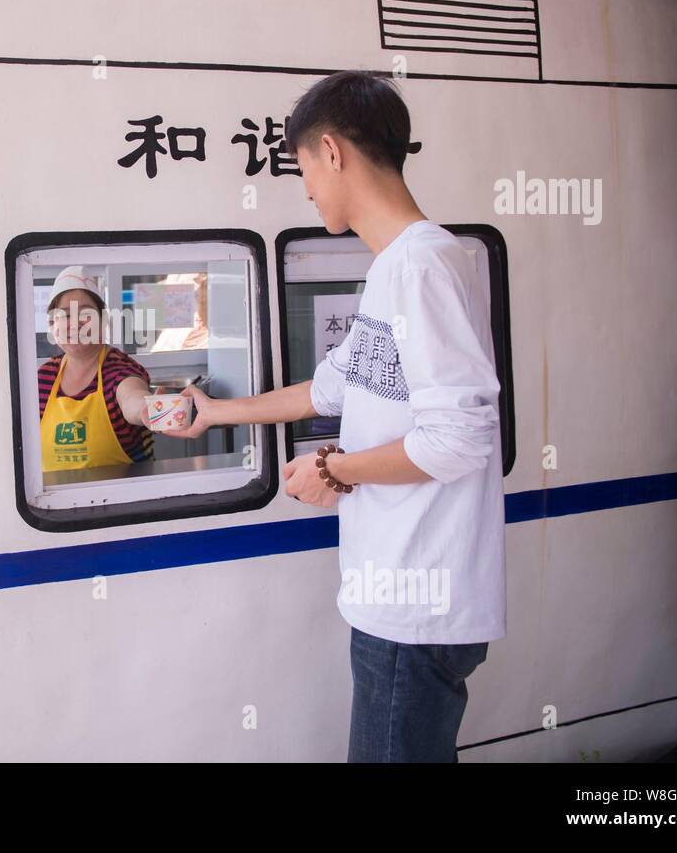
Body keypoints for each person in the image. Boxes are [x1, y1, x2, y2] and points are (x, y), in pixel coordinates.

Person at [164, 70, 505, 762]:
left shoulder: (421, 268)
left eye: (304, 172)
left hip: (415, 601)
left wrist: (334, 469)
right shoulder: (394, 271)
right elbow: (330, 388)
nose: (308, 190)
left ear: (331, 151)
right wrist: (215, 411)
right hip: (400, 597)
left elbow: (459, 437)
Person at [38, 266, 156, 472]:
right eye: (64, 315)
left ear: (104, 320)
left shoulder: (119, 370)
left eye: (85, 313)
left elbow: (131, 396)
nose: (75, 324)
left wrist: (145, 409)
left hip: (122, 490)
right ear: (52, 326)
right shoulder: (43, 378)